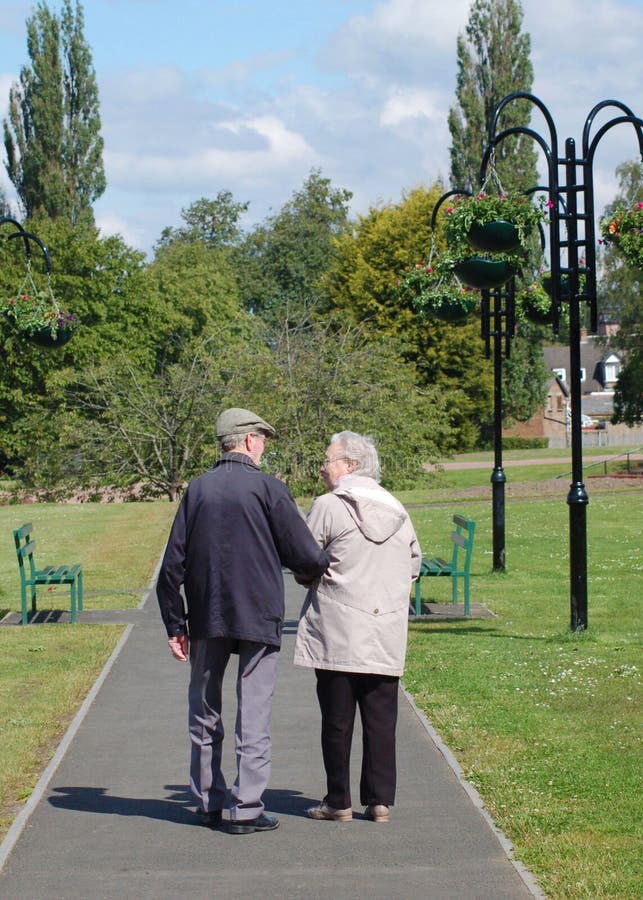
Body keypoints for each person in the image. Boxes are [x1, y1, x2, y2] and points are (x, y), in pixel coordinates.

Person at [157, 407, 330, 835]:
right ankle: (247, 806)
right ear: (249, 440)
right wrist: (313, 571)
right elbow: (306, 554)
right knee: (254, 710)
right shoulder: (270, 489)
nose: (265, 445)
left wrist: (175, 625)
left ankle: (207, 801)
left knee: (204, 709)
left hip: (206, 614)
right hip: (258, 613)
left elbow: (170, 567)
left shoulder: (197, 490)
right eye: (263, 438)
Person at [294, 431, 421, 823]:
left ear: (350, 465)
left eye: (328, 459)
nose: (322, 466)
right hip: (385, 627)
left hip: (338, 624)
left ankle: (338, 802)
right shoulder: (397, 509)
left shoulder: (329, 506)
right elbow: (413, 563)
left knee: (337, 719)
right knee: (381, 719)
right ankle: (380, 801)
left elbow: (306, 557)